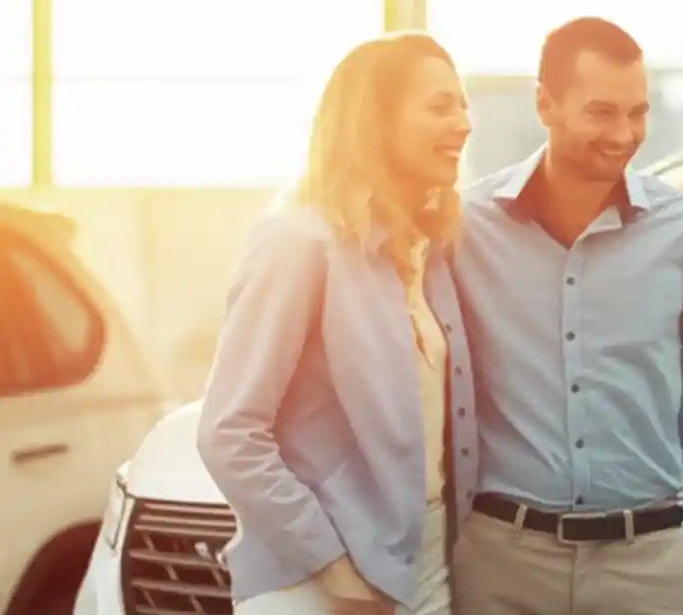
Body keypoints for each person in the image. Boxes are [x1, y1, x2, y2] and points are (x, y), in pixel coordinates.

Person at [448, 16, 683, 615]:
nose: (626, 133)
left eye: (638, 112)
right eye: (602, 112)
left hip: (644, 566)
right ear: (544, 105)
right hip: (503, 564)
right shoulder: (466, 229)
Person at [196, 32, 479, 615]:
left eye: (463, 104)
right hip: (316, 582)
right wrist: (335, 569)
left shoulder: (430, 252)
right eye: (439, 106)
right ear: (374, 122)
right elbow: (229, 433)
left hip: (423, 567)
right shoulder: (300, 240)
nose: (463, 123)